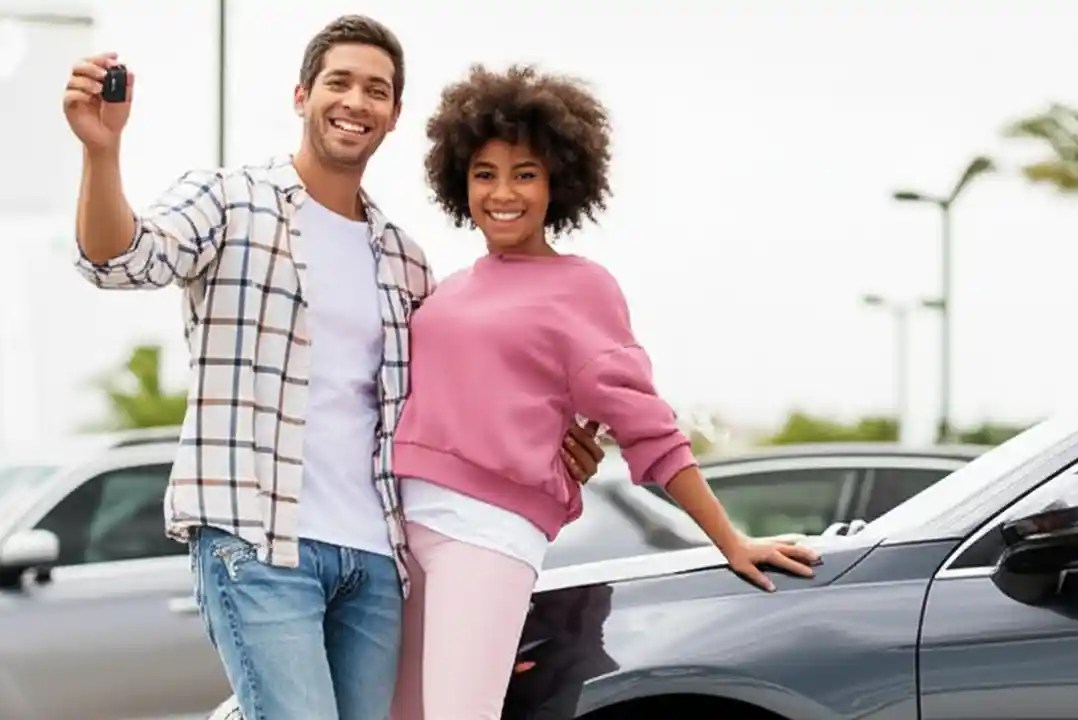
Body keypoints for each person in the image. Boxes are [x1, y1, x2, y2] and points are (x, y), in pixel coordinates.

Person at [62, 15, 603, 720]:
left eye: (376, 90)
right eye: (339, 82)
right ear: (302, 96)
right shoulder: (229, 201)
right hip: (258, 542)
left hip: (375, 560)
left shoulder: (404, 260)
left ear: (394, 115)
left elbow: (455, 401)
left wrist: (553, 444)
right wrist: (101, 153)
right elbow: (120, 258)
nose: (356, 101)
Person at [388, 64, 823, 720]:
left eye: (524, 174)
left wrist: (730, 540)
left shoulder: (581, 288)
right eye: (484, 173)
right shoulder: (448, 288)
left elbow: (647, 427)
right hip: (403, 527)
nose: (502, 193)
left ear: (558, 182)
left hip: (487, 536)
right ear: (459, 181)